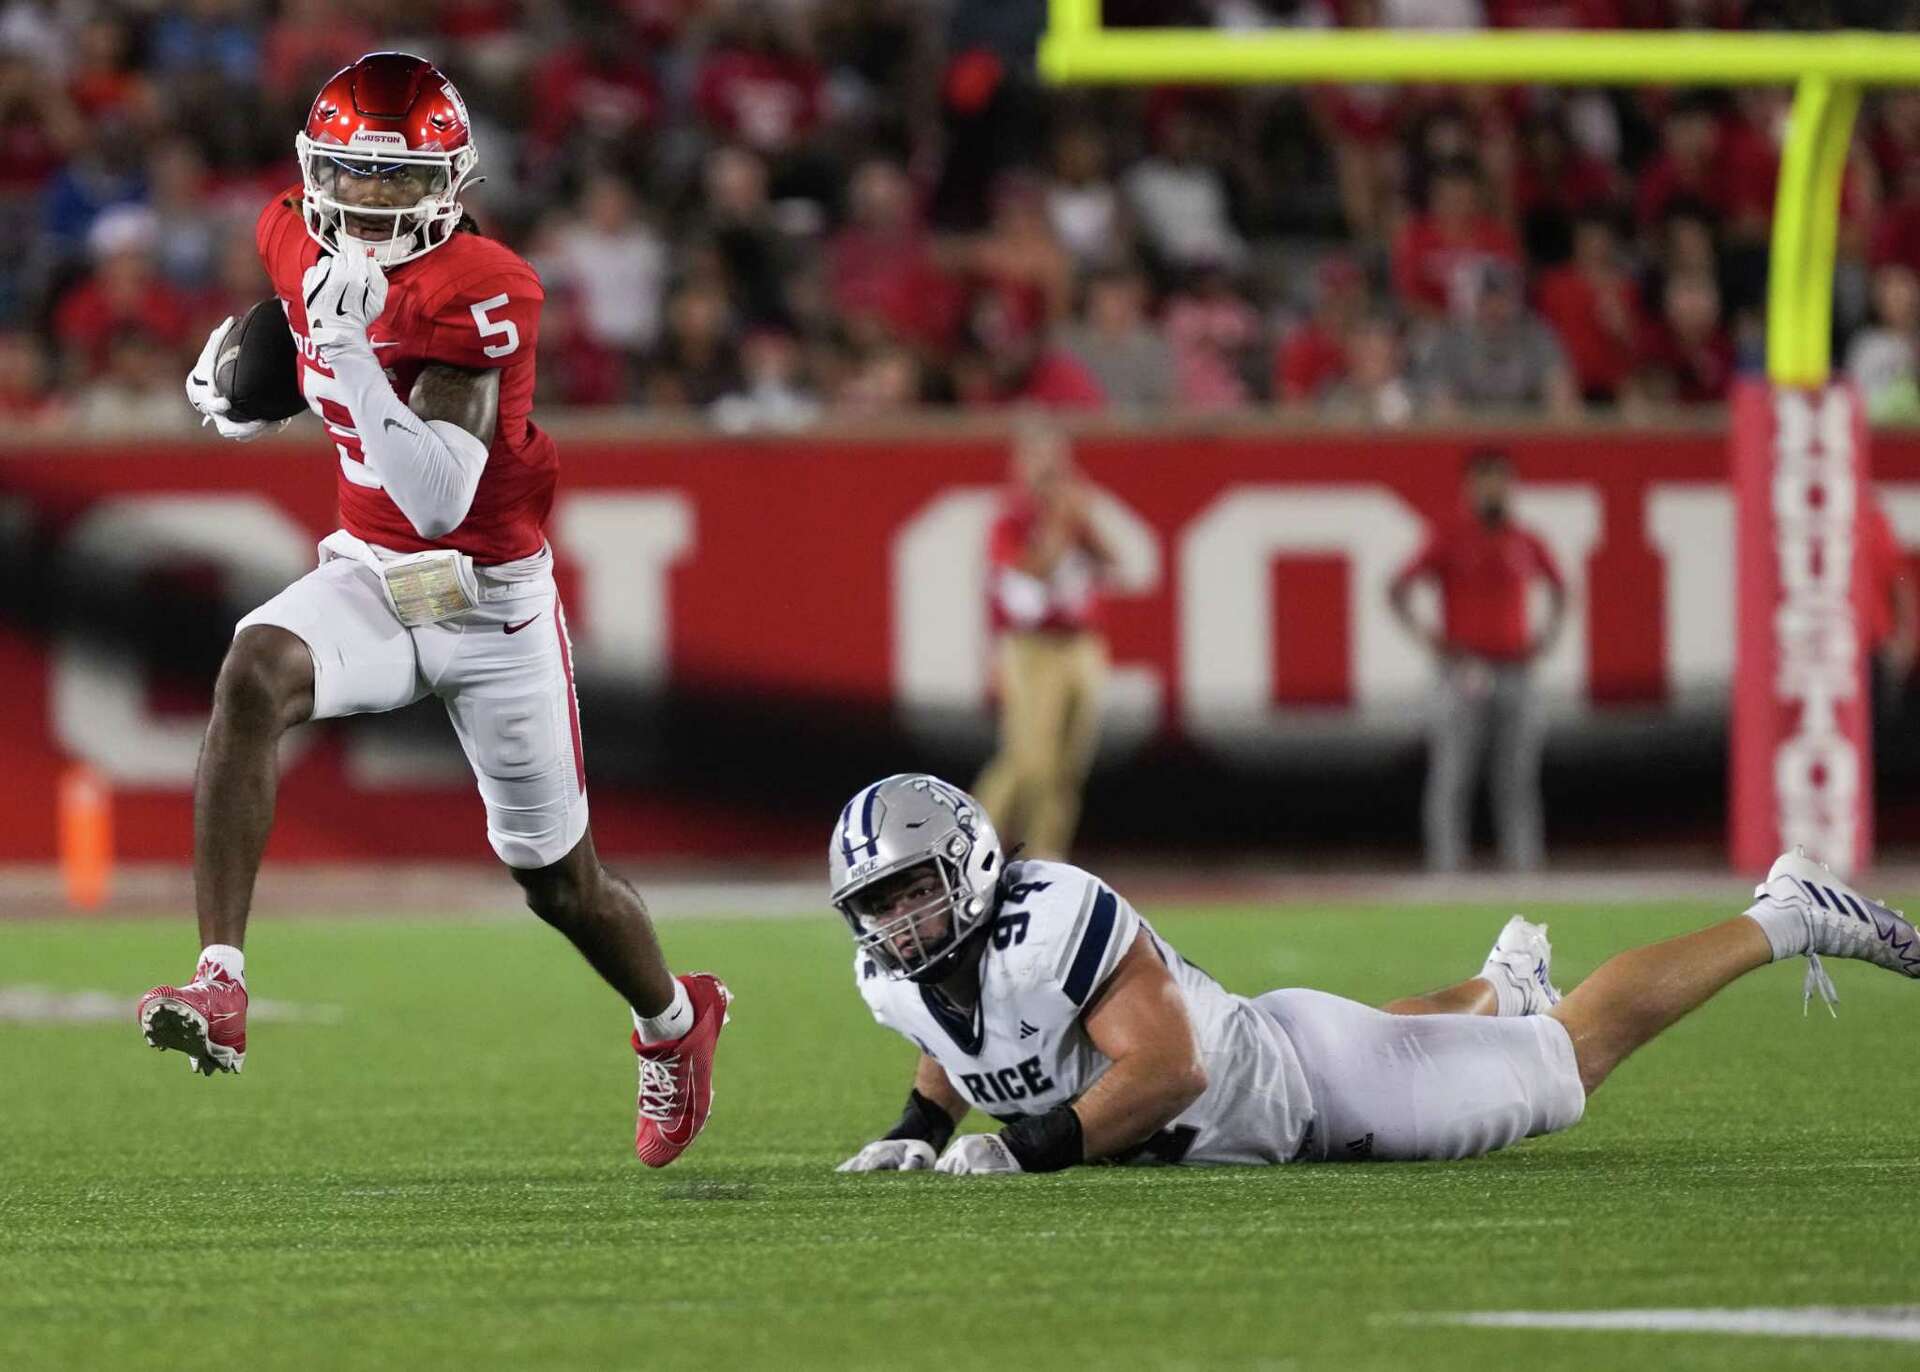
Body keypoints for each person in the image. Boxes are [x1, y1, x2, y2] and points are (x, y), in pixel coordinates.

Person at [139, 53, 730, 1167]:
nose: (367, 203)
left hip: (490, 602)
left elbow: (441, 492)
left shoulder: (488, 286)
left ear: (450, 186)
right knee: (252, 666)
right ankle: (220, 979)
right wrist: (234, 373)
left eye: (394, 182)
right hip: (371, 573)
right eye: (350, 177)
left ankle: (675, 1020)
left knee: (560, 882)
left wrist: (349, 353)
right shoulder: (287, 231)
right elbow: (281, 323)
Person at [828, 774, 1918, 1175]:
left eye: (910, 889)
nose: (897, 922)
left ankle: (1786, 914)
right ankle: (1500, 984)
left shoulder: (1051, 908)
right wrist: (918, 1128)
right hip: (1285, 1053)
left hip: (1317, 1092)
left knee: (1571, 1059)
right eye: (876, 906)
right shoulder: (899, 974)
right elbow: (965, 1041)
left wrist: (1022, 1151)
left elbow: (1166, 1069)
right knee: (1433, 1036)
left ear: (970, 859)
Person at [1390, 449, 1566, 873]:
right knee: (1454, 773)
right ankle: (1447, 869)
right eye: (1484, 481)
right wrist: (1431, 641)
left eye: (1499, 481)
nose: (1493, 490)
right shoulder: (1450, 537)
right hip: (1463, 669)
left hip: (1515, 668)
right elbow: (1399, 588)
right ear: (1470, 487)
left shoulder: (1525, 540)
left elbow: (1560, 588)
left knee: (1517, 776)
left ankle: (1525, 869)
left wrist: (1545, 640)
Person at [972, 426, 1114, 862]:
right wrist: (1061, 523)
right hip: (1032, 648)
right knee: (1029, 760)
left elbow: (1110, 564)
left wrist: (1085, 525)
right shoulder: (1010, 521)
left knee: (1068, 765)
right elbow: (1032, 572)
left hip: (1080, 644)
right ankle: (972, 843)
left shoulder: (1073, 518)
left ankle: (1048, 858)